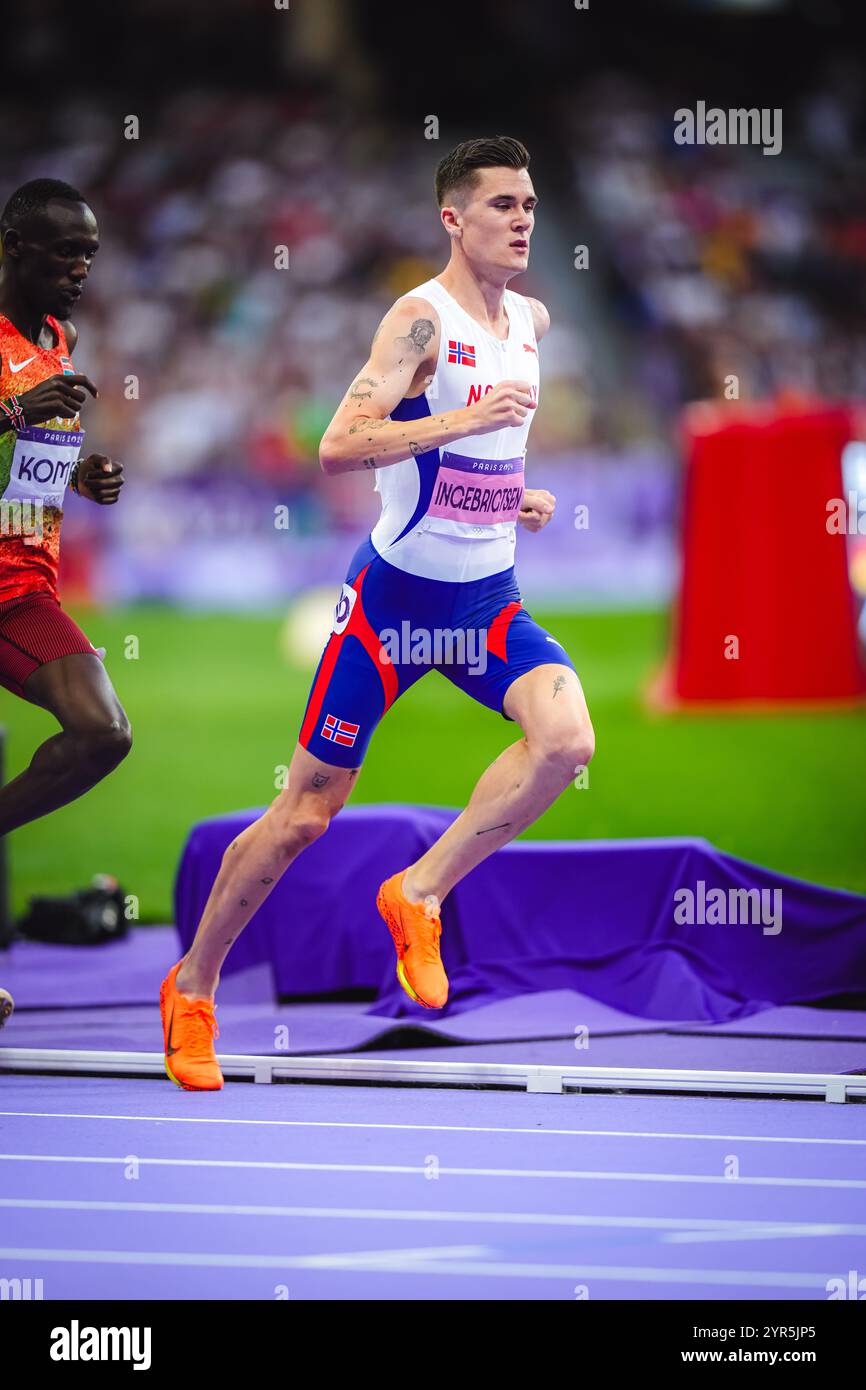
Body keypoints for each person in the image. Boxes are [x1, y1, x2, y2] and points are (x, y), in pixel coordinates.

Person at [161, 136, 594, 1092]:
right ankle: (193, 988)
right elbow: (341, 444)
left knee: (565, 743)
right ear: (453, 218)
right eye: (501, 206)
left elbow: (481, 456)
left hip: (487, 602)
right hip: (391, 606)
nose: (523, 220)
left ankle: (420, 890)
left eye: (529, 205)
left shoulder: (533, 318)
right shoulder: (418, 321)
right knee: (306, 814)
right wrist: (464, 425)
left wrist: (510, 493)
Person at [0, 179, 130, 843]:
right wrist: (20, 411)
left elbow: (24, 462)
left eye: (90, 254)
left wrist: (81, 475)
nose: (81, 270)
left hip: (22, 589)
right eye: (65, 253)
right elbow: (17, 419)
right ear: (15, 248)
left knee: (103, 735)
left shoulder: (59, 335)